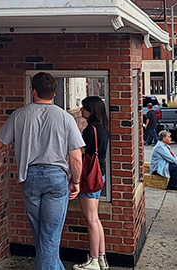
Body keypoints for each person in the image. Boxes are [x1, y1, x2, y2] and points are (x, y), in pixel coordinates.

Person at [0, 73, 84, 270]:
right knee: (50, 234)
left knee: (40, 233)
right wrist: (76, 181)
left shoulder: (19, 115)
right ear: (54, 93)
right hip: (56, 179)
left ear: (34, 91)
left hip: (30, 178)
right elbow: (76, 157)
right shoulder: (65, 118)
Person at [74, 96, 110, 270]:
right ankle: (101, 258)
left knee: (91, 220)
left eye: (84, 108)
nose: (81, 110)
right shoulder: (103, 128)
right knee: (95, 218)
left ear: (91, 110)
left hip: (89, 176)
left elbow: (82, 154)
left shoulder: (90, 130)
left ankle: (94, 259)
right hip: (99, 175)